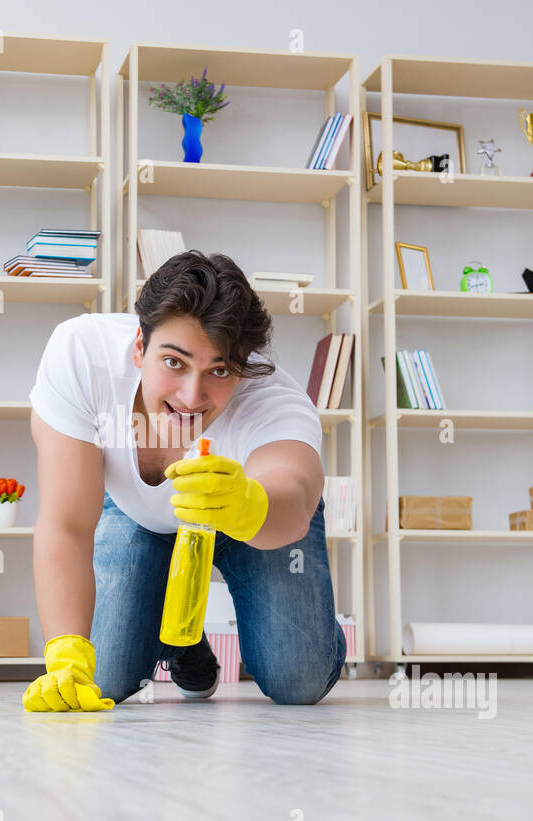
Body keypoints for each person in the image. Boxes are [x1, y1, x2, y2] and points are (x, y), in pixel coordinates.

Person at [23, 250, 346, 712]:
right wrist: (64, 655)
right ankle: (182, 642)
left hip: (255, 523)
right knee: (102, 677)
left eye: (219, 371)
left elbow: (293, 497)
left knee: (298, 680)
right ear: (139, 347)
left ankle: (316, 629)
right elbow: (66, 525)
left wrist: (244, 504)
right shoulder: (81, 356)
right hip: (140, 515)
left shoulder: (273, 399)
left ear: (243, 365)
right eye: (174, 362)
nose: (191, 396)